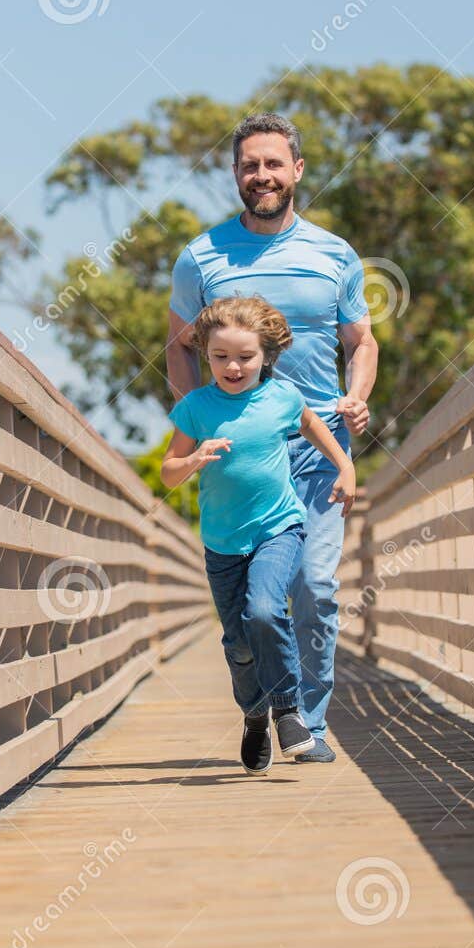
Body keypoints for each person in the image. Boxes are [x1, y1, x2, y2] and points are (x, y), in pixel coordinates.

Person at [166, 112, 379, 763]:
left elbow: (361, 342)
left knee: (313, 588)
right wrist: (194, 415)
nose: (262, 174)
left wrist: (357, 398)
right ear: (236, 175)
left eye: (273, 163)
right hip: (239, 459)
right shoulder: (201, 257)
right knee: (247, 621)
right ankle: (262, 707)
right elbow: (177, 347)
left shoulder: (334, 254)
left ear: (297, 171)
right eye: (249, 165)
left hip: (313, 453)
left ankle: (306, 721)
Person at [162, 296, 357, 775]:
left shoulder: (282, 399)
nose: (233, 366)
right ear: (206, 354)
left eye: (245, 357)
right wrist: (191, 461)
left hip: (279, 527)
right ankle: (254, 715)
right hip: (223, 541)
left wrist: (345, 466)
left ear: (266, 356)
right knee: (240, 643)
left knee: (266, 611)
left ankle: (288, 712)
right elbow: (168, 472)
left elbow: (315, 425)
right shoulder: (197, 408)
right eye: (220, 356)